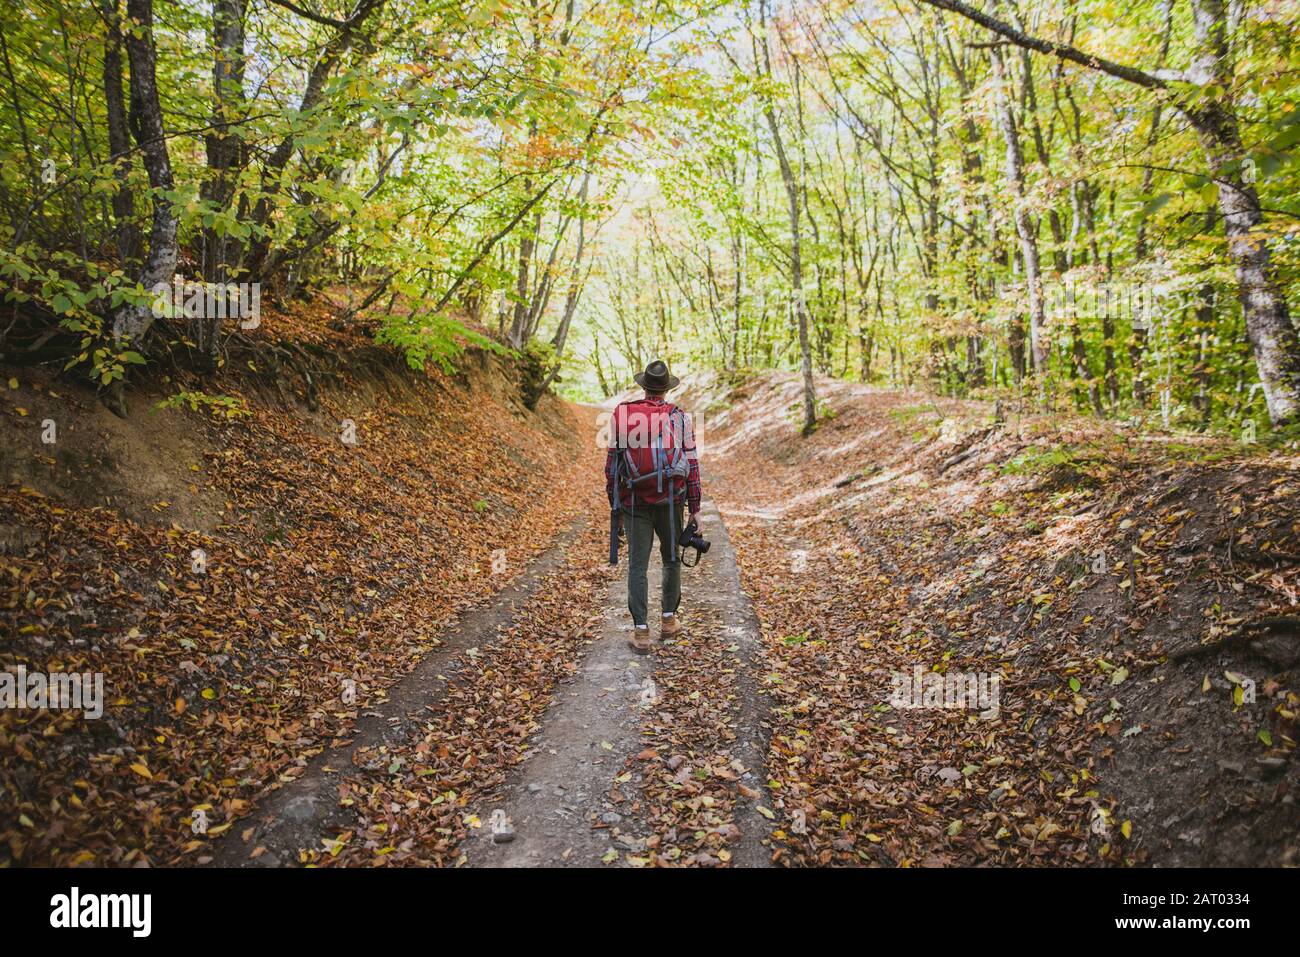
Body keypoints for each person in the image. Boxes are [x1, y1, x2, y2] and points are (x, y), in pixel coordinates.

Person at [605, 360, 701, 653]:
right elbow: (692, 464)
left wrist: (616, 506)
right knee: (671, 558)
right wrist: (695, 507)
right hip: (672, 499)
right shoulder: (680, 418)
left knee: (638, 563)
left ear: (643, 386)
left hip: (634, 500)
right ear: (666, 389)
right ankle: (669, 620)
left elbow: (611, 466)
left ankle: (641, 631)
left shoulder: (622, 415)